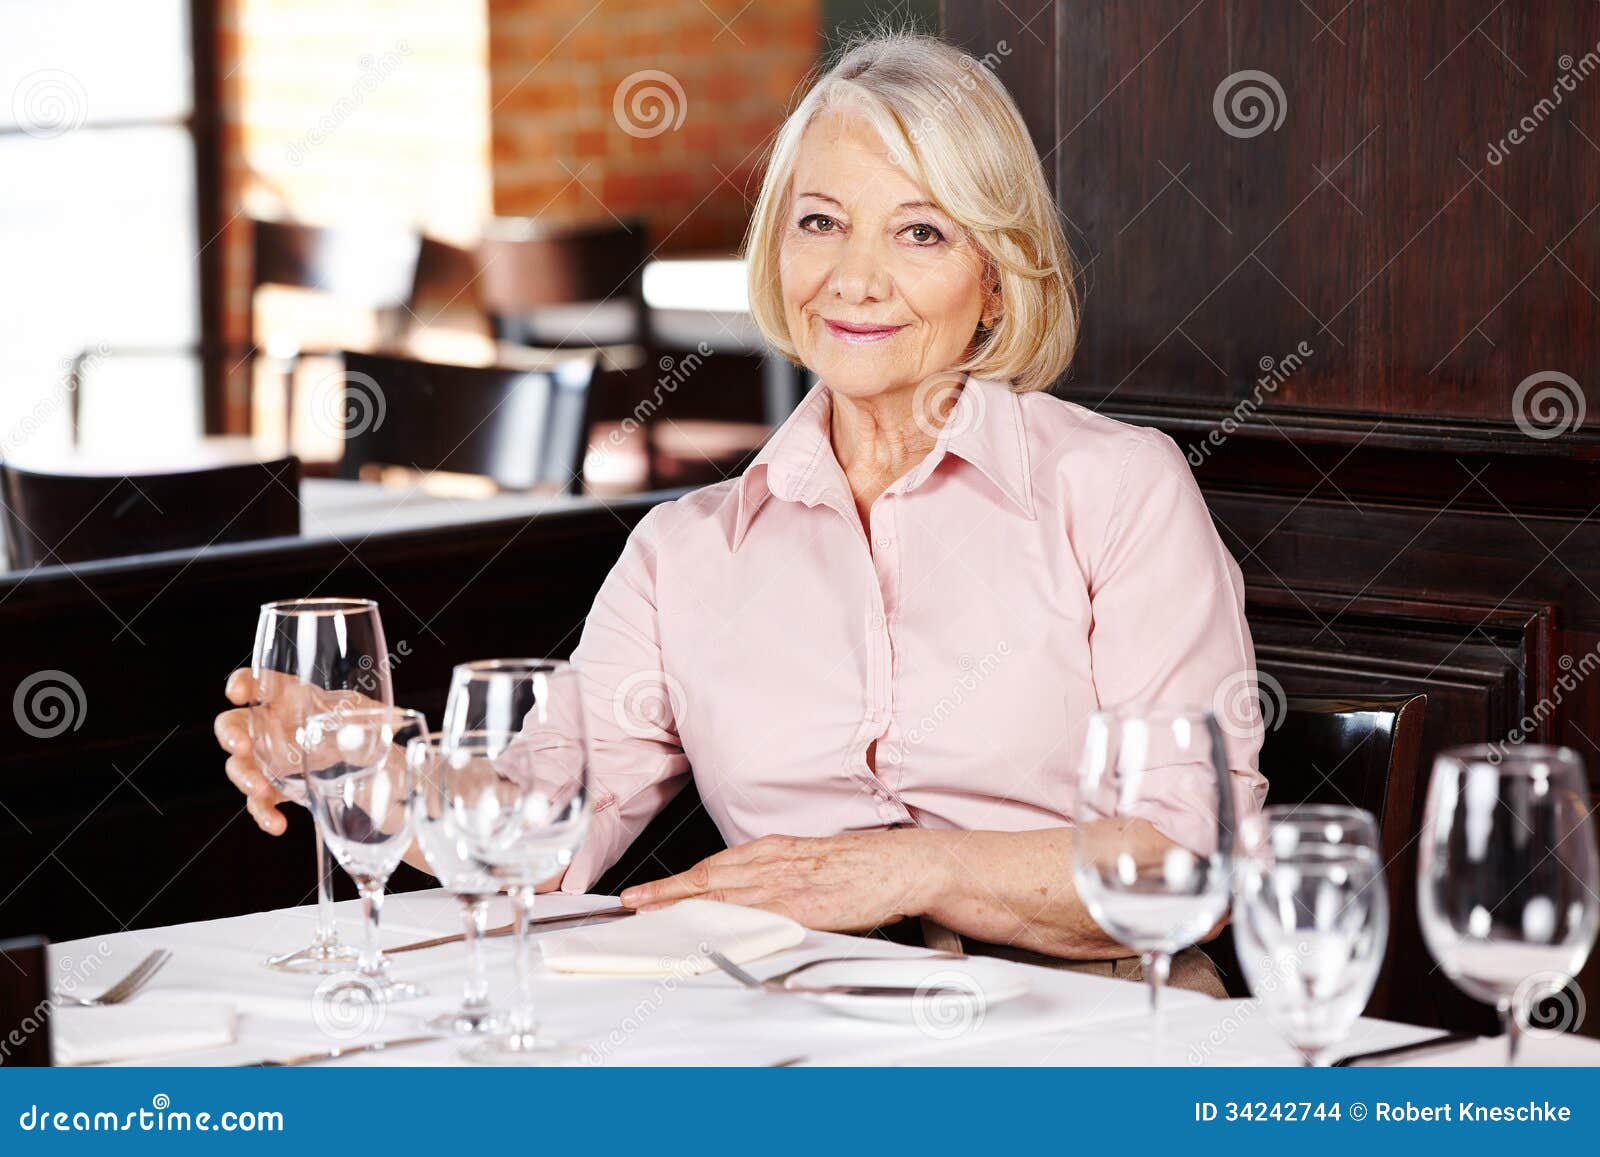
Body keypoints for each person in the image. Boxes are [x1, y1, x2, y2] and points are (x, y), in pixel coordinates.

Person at [215, 31, 1266, 994]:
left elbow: (1196, 859)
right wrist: (361, 764)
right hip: (789, 1039)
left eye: (919, 232)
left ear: (994, 278)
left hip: (1093, 1039)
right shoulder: (688, 549)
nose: (856, 277)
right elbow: (542, 819)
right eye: (820, 222)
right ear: (777, 251)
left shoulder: (1118, 491)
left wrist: (906, 869)